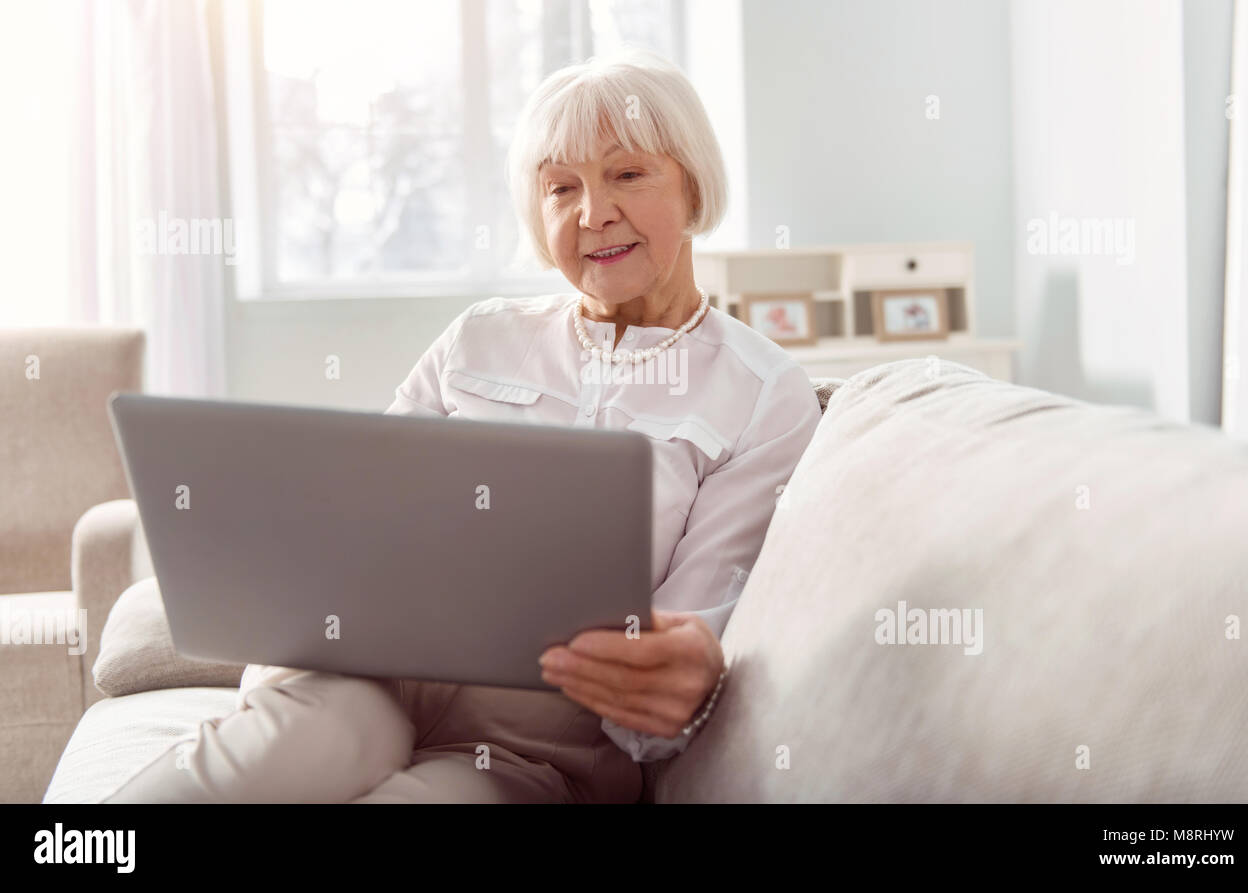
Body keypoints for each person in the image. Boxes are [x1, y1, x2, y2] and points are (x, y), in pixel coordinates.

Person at [102, 46, 821, 803]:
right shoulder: (480, 337)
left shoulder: (763, 394)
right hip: (365, 678)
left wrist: (681, 683)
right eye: (561, 187)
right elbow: (352, 509)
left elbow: (676, 659)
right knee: (311, 738)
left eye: (628, 173)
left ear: (694, 181)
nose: (593, 213)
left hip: (530, 748)